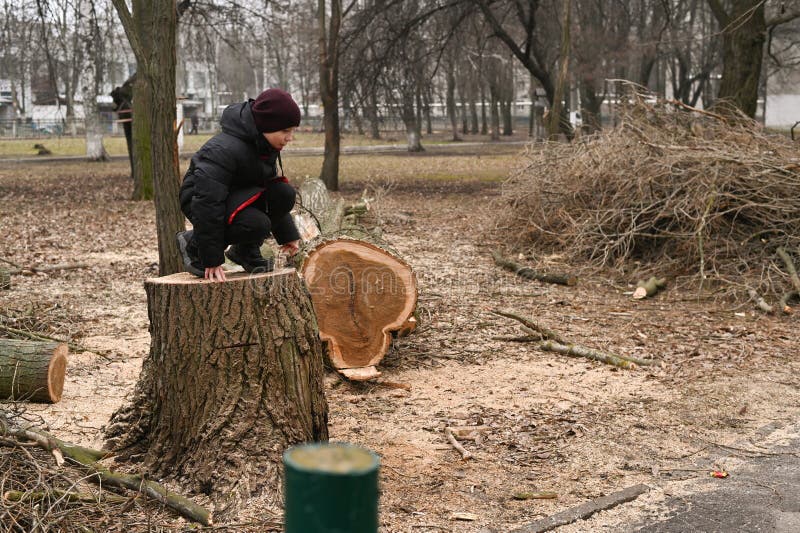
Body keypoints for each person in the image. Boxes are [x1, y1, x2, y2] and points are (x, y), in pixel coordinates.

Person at [176, 88, 302, 282]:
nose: (290, 137)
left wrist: (287, 236)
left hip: (238, 195)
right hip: (200, 199)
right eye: (285, 131)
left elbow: (269, 192)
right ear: (266, 125)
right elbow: (207, 202)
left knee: (283, 193)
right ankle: (192, 244)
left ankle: (245, 250)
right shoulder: (222, 149)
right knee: (256, 224)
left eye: (293, 131)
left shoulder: (264, 145)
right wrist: (210, 256)